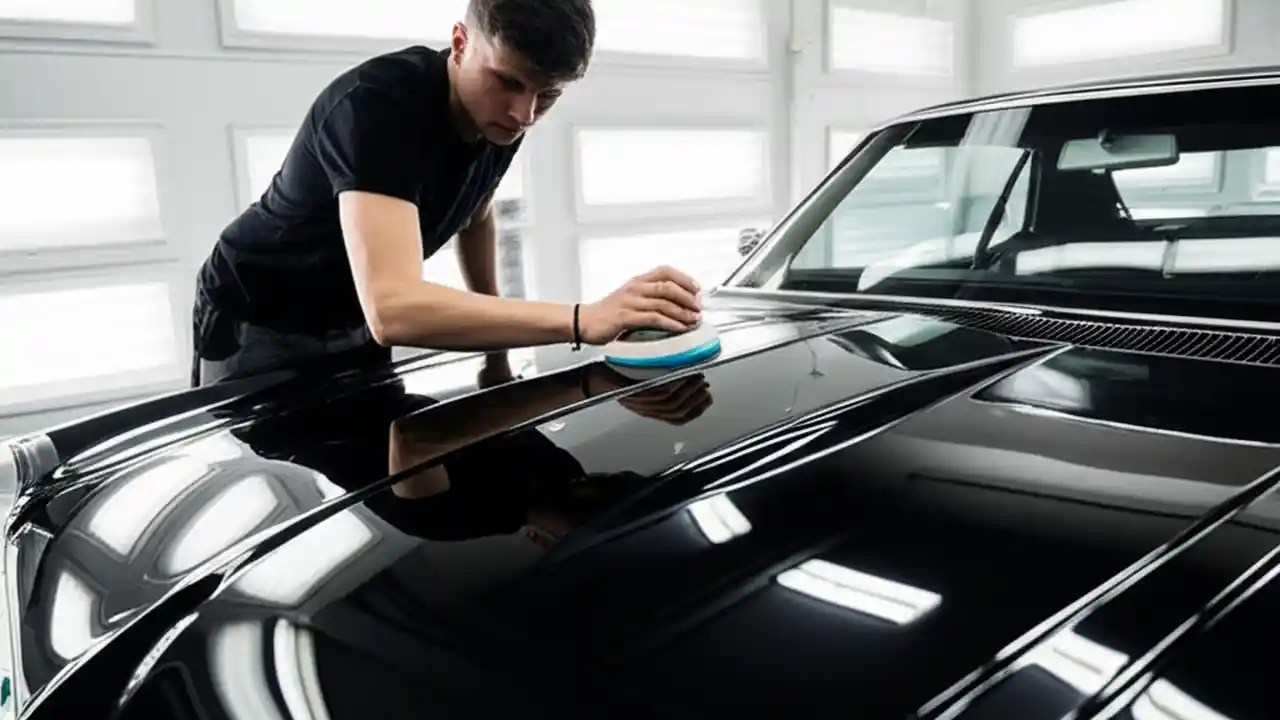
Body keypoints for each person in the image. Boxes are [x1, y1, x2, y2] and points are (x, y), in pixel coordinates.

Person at [191, 0, 704, 387]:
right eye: (507, 81)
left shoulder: (500, 118)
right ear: (460, 43)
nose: (525, 114)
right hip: (256, 312)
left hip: (354, 314)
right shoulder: (376, 108)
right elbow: (394, 309)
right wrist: (583, 318)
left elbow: (476, 213)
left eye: (548, 95)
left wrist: (497, 345)